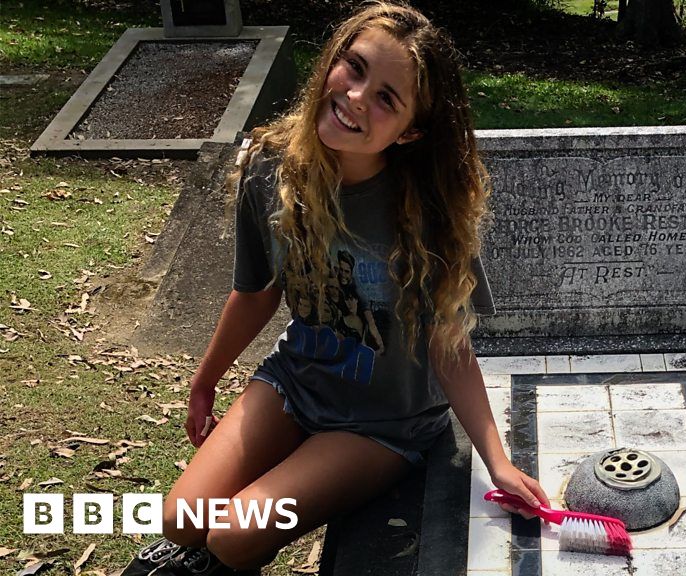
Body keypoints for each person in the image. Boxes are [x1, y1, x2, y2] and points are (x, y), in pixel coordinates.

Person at [121, 3, 548, 575]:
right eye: (355, 67)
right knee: (181, 519)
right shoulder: (268, 167)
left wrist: (498, 462)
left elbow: (449, 346)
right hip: (296, 382)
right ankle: (203, 549)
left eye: (387, 99)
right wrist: (205, 380)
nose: (356, 97)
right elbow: (256, 293)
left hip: (383, 422)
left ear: (409, 131)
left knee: (233, 534)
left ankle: (216, 559)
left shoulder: (427, 212)